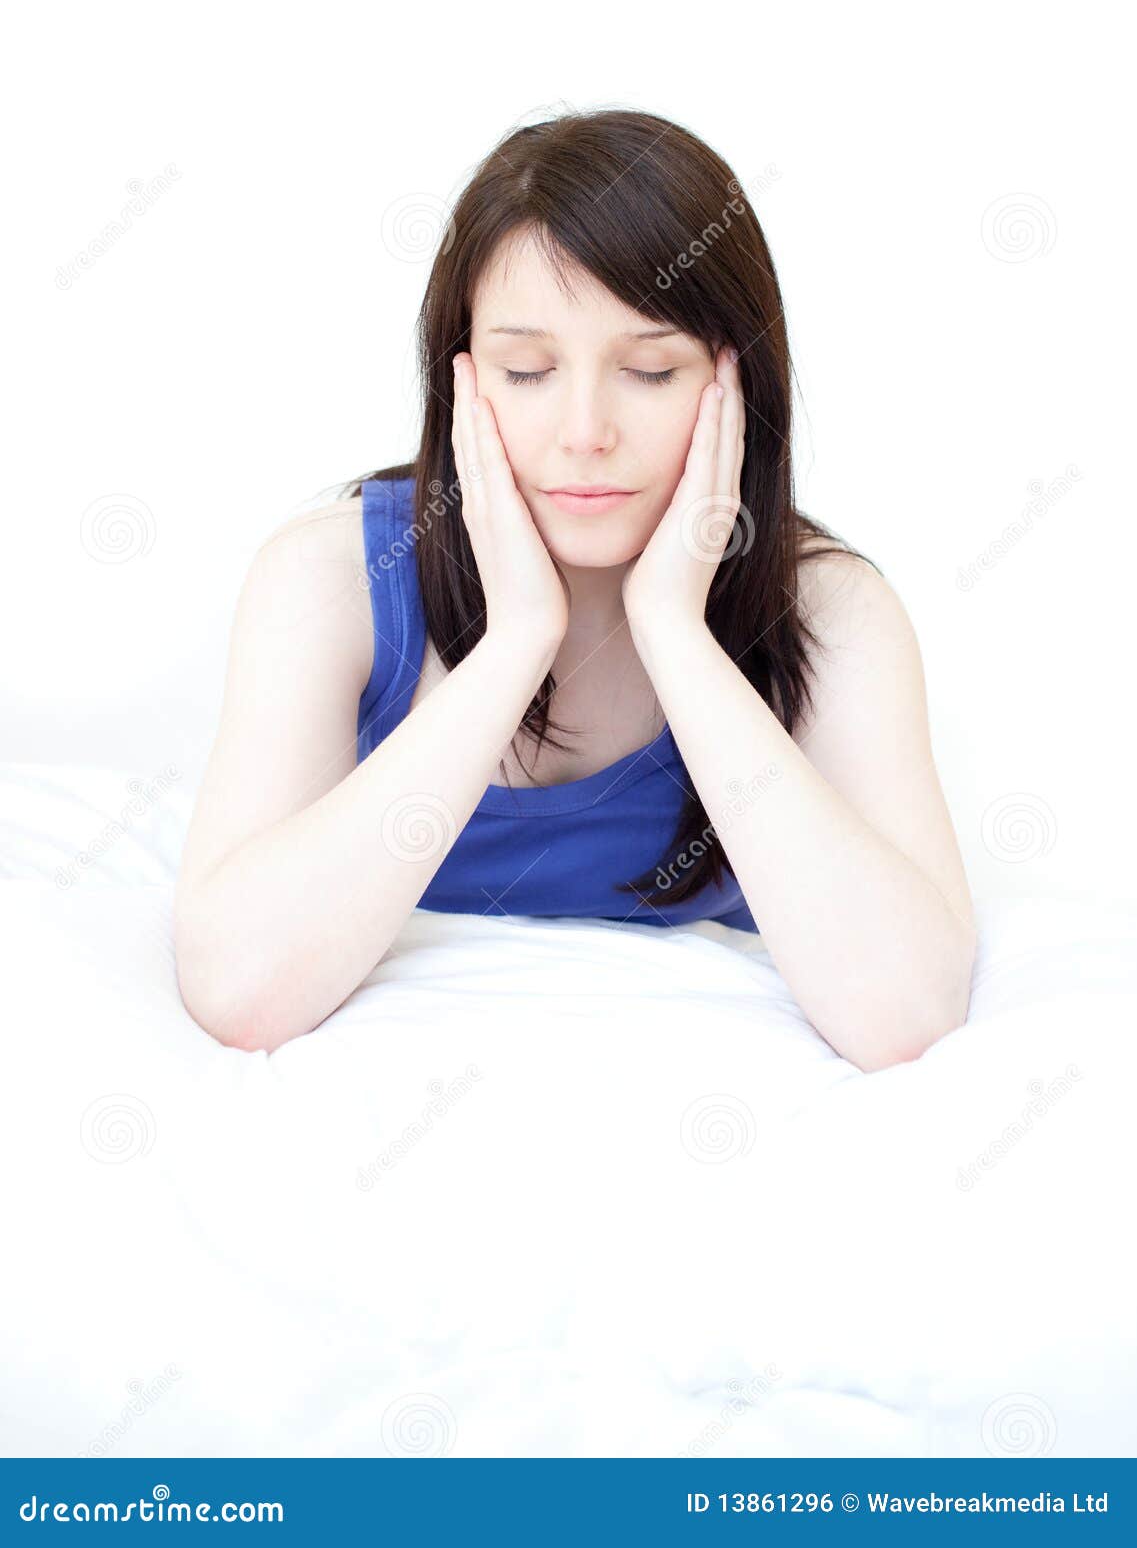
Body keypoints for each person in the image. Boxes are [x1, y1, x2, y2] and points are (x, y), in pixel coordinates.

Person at [173, 108, 976, 1068]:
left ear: (735, 384)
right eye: (527, 371)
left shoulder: (831, 612)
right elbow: (239, 993)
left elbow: (906, 1017)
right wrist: (517, 638)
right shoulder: (332, 578)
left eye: (647, 370)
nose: (584, 430)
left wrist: (675, 630)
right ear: (461, 384)